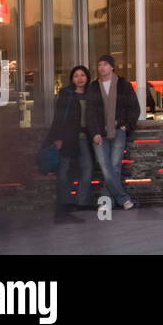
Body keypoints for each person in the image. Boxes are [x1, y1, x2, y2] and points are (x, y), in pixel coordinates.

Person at [85, 54, 140, 210]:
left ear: (112, 67)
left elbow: (134, 107)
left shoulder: (123, 85)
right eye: (99, 64)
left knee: (114, 167)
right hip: (99, 133)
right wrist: (94, 132)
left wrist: (126, 126)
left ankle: (107, 203)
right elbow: (90, 113)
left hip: (118, 131)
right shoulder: (94, 87)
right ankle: (123, 199)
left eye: (105, 64)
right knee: (105, 167)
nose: (101, 67)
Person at [45, 65, 94, 218]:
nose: (80, 78)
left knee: (88, 168)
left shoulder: (91, 94)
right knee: (63, 170)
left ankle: (81, 201)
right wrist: (58, 138)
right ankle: (66, 202)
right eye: (76, 76)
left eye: (83, 75)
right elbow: (59, 117)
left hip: (85, 137)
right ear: (72, 79)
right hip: (67, 137)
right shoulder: (66, 93)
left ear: (87, 77)